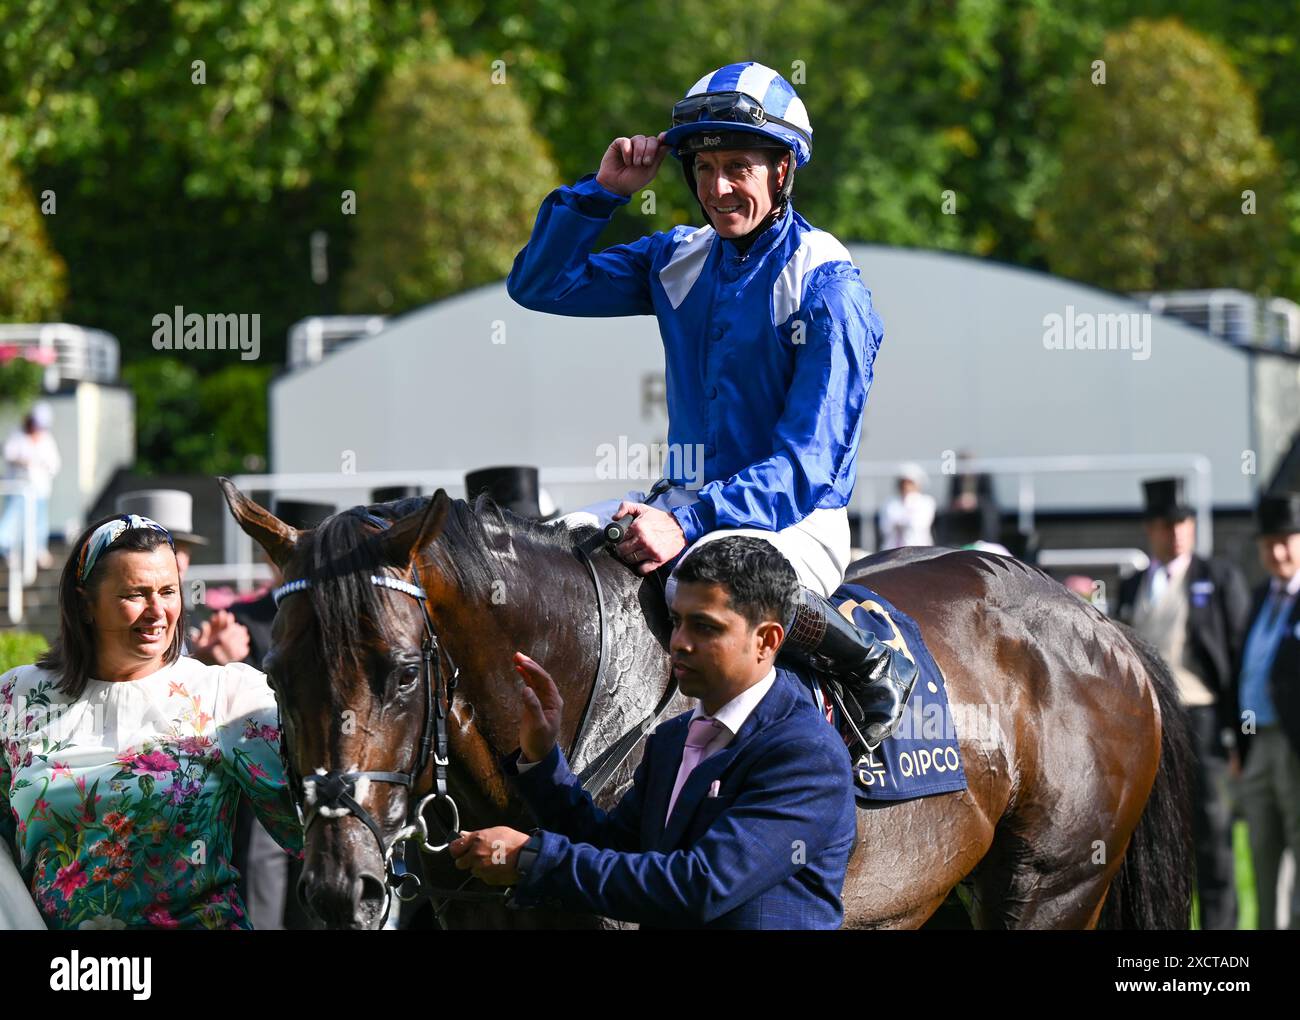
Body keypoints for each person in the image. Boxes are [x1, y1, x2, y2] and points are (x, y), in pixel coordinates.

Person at [507, 60, 916, 752]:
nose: (718, 188)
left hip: (793, 522)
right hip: (677, 507)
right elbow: (539, 284)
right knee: (551, 555)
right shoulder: (679, 257)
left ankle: (868, 660)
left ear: (782, 170)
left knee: (715, 572)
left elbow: (805, 466)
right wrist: (602, 193)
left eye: (738, 169)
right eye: (703, 169)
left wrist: (687, 519)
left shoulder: (828, 288)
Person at [448, 536, 857, 928]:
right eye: (677, 621)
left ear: (766, 640)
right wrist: (542, 760)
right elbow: (615, 847)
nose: (679, 642)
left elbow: (701, 886)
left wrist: (531, 859)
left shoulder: (806, 754)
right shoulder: (672, 738)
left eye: (705, 627)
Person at [0, 513, 301, 929]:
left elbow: (311, 821)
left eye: (168, 591)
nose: (157, 611)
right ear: (85, 602)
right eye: (135, 594)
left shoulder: (225, 695)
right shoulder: (16, 698)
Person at [1114, 477, 1250, 930]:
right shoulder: (1133, 586)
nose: (1177, 532)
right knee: (1152, 835)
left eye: (1184, 523)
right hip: (1148, 724)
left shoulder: (1218, 577)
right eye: (1167, 524)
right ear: (1150, 530)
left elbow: (1236, 657)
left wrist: (1235, 734)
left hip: (1202, 720)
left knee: (1212, 836)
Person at [227, 498, 335, 931]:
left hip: (321, 776)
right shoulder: (241, 618)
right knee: (261, 892)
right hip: (264, 784)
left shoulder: (343, 615)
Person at [1230, 491, 1300, 930]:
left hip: (1295, 747)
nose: (1277, 552)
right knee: (1262, 853)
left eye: (1287, 541)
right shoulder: (1259, 598)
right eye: (1268, 543)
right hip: (1256, 745)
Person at [116, 489, 250, 667]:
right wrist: (198, 665)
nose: (175, 562)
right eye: (163, 549)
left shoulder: (197, 622)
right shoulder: (109, 623)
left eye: (181, 550)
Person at [0, 402, 61, 569]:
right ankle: (6, 550)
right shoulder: (18, 434)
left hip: (39, 491)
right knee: (11, 521)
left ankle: (38, 552)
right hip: (18, 490)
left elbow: (54, 464)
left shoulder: (47, 439)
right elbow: (8, 454)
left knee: (39, 524)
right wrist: (24, 461)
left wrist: (40, 464)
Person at [879, 463, 936, 550]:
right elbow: (885, 526)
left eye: (909, 483)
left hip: (920, 550)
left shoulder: (926, 501)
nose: (906, 486)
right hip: (892, 550)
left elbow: (919, 524)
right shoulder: (890, 502)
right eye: (903, 483)